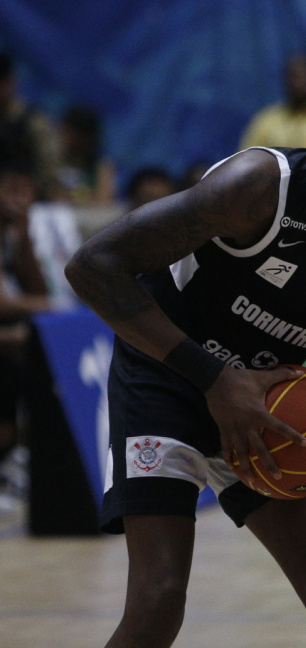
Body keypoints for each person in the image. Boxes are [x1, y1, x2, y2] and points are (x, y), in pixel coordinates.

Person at [64, 61, 306, 648]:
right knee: (159, 600)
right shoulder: (259, 188)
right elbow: (94, 266)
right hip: (168, 380)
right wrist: (215, 379)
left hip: (272, 402)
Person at [0, 160, 51, 505]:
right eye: (13, 190)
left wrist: (25, 232)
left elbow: (39, 289)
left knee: (34, 345)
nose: (22, 199)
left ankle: (19, 458)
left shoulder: (10, 235)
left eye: (27, 191)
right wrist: (44, 306)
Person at [240, 52, 306, 153]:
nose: (298, 83)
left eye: (304, 76)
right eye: (294, 76)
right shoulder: (267, 121)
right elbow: (245, 161)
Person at [0, 52, 62, 202]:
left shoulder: (34, 123)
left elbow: (49, 170)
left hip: (29, 204)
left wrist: (20, 194)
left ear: (10, 82)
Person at [57, 105, 118, 207]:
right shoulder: (52, 165)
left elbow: (104, 201)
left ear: (87, 137)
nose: (67, 138)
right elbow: (54, 199)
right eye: (65, 132)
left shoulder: (102, 167)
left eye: (73, 134)